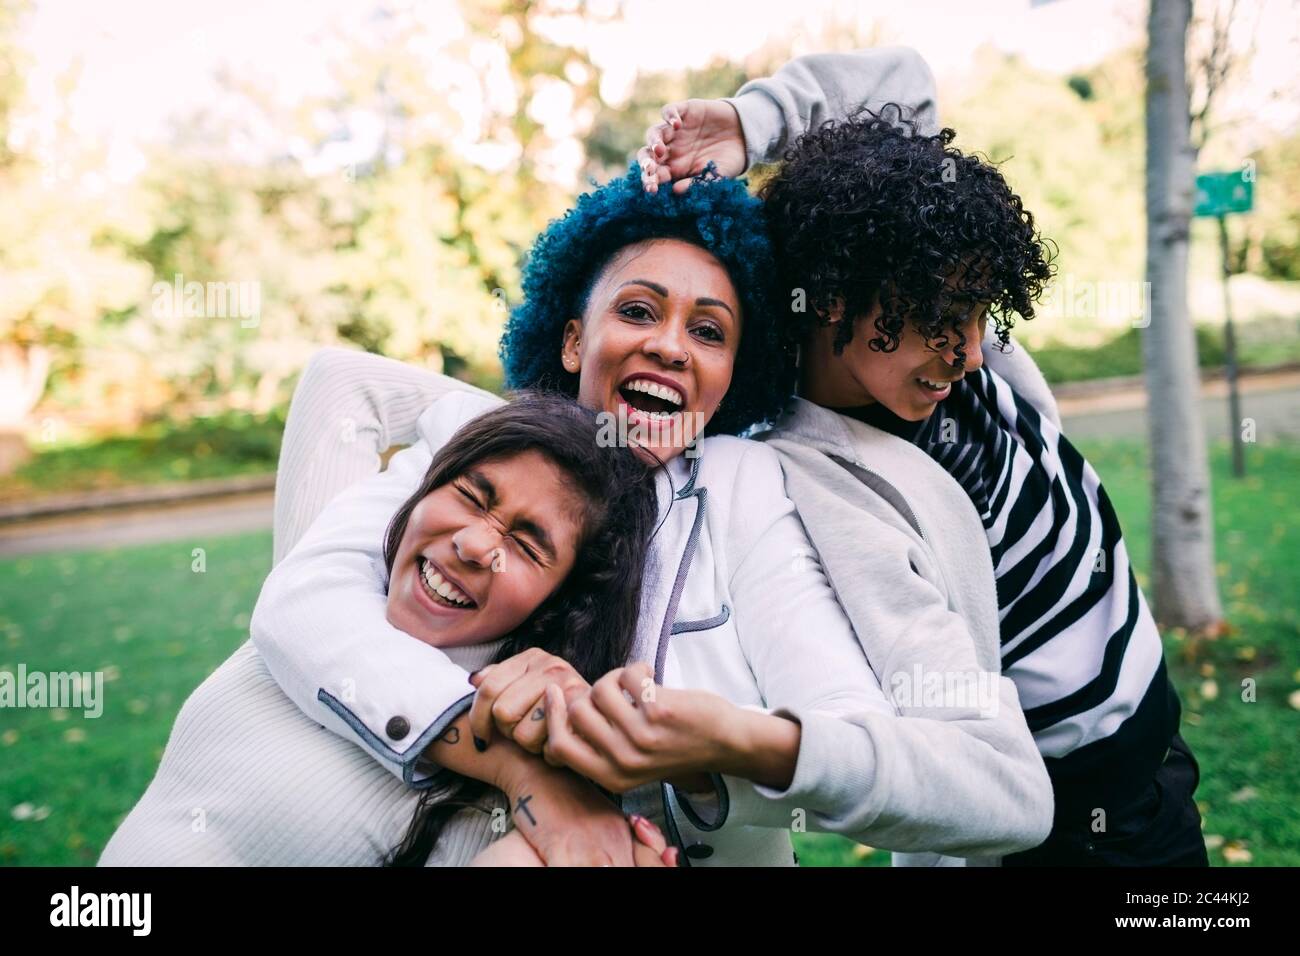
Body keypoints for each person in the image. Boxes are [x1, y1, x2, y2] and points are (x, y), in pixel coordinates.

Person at [250, 152, 1051, 867]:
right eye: (637, 311)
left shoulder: (744, 493)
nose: (669, 346)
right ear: (571, 341)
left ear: (733, 375)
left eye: (708, 331)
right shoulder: (479, 445)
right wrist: (519, 767)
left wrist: (732, 743)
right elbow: (306, 599)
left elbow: (884, 737)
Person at [642, 56, 1208, 866]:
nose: (975, 351)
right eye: (947, 319)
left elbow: (900, 84)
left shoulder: (927, 289)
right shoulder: (821, 485)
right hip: (1081, 831)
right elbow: (935, 706)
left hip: (1162, 756)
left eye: (980, 314)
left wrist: (745, 124)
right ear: (833, 295)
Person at [100, 395, 676, 866]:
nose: (474, 544)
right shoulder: (326, 608)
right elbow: (338, 379)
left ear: (561, 603)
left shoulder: (514, 807)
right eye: (470, 496)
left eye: (526, 546)